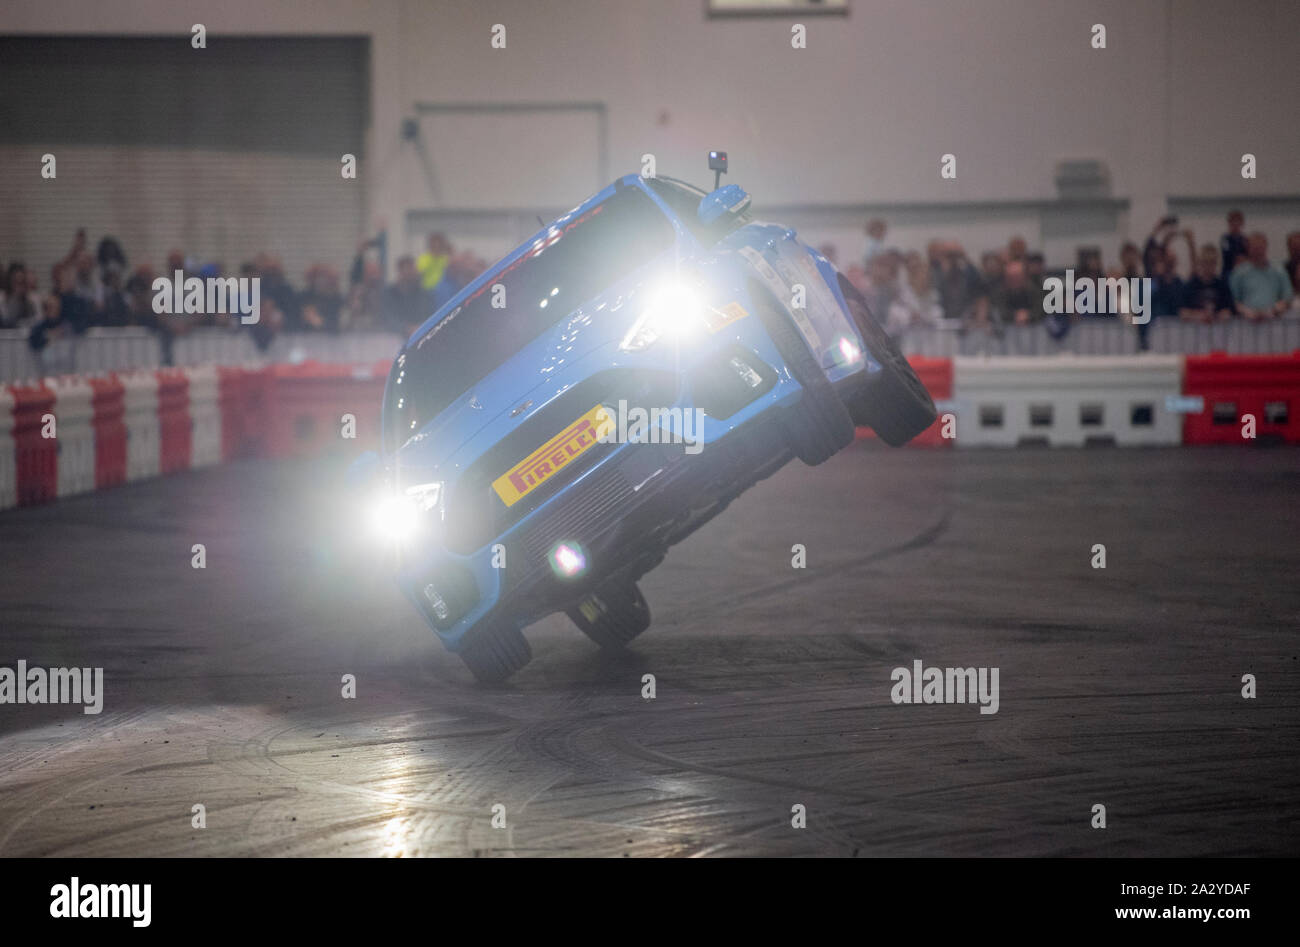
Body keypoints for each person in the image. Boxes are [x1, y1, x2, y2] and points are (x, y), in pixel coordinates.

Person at [1229, 233, 1292, 320]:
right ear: (1248, 249)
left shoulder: (1279, 271)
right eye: (1254, 248)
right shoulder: (1239, 272)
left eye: (1260, 248)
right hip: (1247, 322)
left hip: (1274, 321)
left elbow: (1287, 297)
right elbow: (1232, 299)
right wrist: (1246, 311)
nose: (1257, 251)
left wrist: (1273, 311)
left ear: (1266, 247)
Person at [1178, 235, 1235, 323]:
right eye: (1205, 262)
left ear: (1216, 264)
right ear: (1200, 263)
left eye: (1212, 263)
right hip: (1194, 331)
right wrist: (1199, 316)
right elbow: (1182, 313)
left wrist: (1215, 316)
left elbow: (1228, 311)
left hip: (1217, 331)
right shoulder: (1190, 285)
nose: (1208, 267)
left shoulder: (1222, 285)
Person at [381, 255, 435, 338]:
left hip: (421, 337)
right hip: (394, 340)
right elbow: (387, 318)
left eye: (412, 269)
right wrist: (406, 329)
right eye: (406, 270)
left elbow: (430, 314)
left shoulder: (424, 294)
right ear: (400, 272)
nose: (410, 273)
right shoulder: (389, 294)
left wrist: (420, 327)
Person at [1220, 210, 1248, 277]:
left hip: (1243, 271)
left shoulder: (1245, 240)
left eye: (1237, 222)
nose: (1235, 225)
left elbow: (1248, 256)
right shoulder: (1225, 239)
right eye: (1232, 222)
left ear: (1241, 223)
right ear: (1229, 223)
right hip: (1228, 271)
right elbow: (1227, 254)